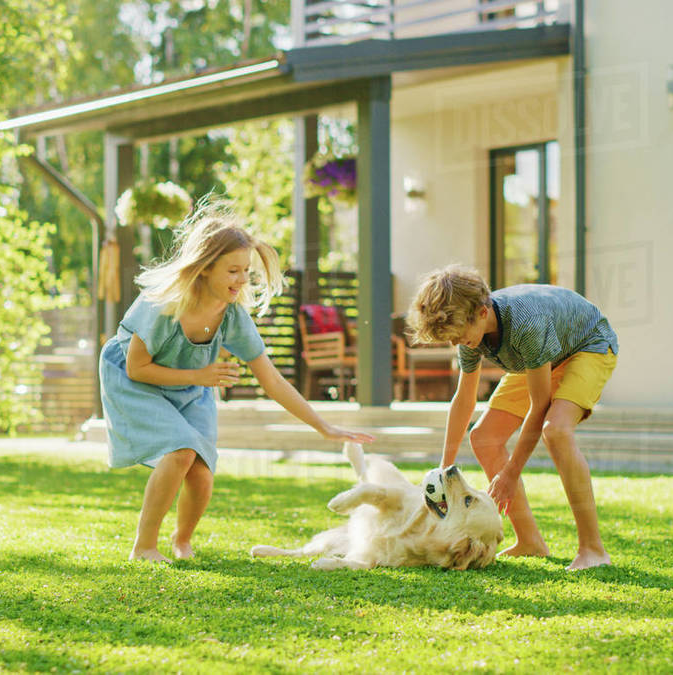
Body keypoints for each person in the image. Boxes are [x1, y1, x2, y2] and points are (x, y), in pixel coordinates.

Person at [100, 201, 375, 563]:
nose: (242, 279)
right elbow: (137, 368)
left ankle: (181, 541)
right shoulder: (162, 305)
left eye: (246, 270)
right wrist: (200, 376)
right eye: (232, 270)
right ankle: (144, 546)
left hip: (188, 387)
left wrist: (324, 427)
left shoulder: (232, 317)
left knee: (201, 473)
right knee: (180, 451)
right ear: (204, 268)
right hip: (135, 383)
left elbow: (273, 382)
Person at [405, 264, 618, 570]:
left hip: (588, 346)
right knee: (484, 437)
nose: (456, 343)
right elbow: (464, 398)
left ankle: (593, 550)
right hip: (541, 358)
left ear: (481, 312)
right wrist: (445, 468)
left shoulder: (526, 323)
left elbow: (539, 405)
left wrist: (511, 473)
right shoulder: (470, 334)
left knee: (556, 430)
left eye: (459, 336)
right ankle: (530, 541)